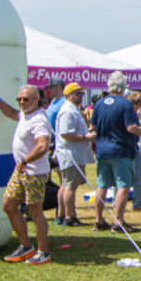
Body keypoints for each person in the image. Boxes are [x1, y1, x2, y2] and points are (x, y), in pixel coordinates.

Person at [0, 86, 53, 264]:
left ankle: (43, 252)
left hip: (34, 172)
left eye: (26, 99)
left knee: (35, 211)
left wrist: (25, 160)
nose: (22, 103)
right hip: (21, 171)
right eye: (19, 99)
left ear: (37, 100)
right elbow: (12, 113)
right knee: (8, 205)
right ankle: (26, 246)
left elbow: (43, 145)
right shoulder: (25, 115)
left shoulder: (39, 119)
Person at [91, 73, 141, 225]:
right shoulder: (125, 104)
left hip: (102, 150)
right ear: (123, 87)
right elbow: (131, 127)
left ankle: (98, 219)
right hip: (120, 150)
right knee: (123, 186)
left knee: (102, 186)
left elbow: (92, 126)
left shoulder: (99, 103)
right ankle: (118, 220)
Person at [53, 84, 95, 227]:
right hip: (70, 154)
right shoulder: (68, 111)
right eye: (77, 94)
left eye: (81, 94)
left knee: (66, 185)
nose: (81, 97)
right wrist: (86, 137)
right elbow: (66, 134)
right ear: (68, 95)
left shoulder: (72, 109)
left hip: (72, 154)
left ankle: (61, 215)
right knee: (70, 186)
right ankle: (69, 217)